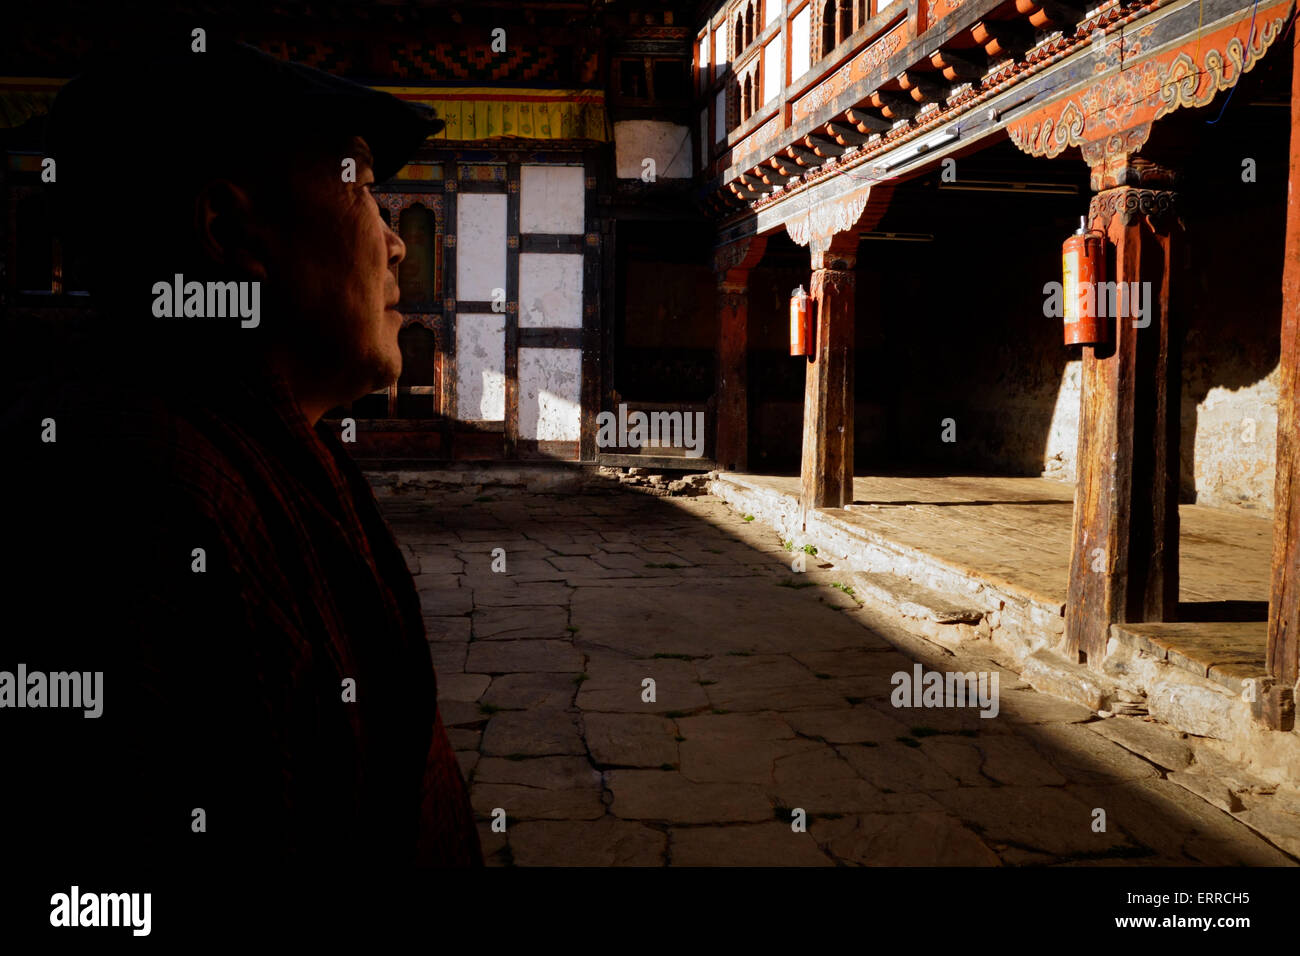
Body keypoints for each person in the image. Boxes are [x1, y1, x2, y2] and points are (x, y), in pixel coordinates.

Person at [1, 35, 482, 868]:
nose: (398, 242)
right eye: (365, 192)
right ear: (228, 231)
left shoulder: (261, 446)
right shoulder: (137, 501)